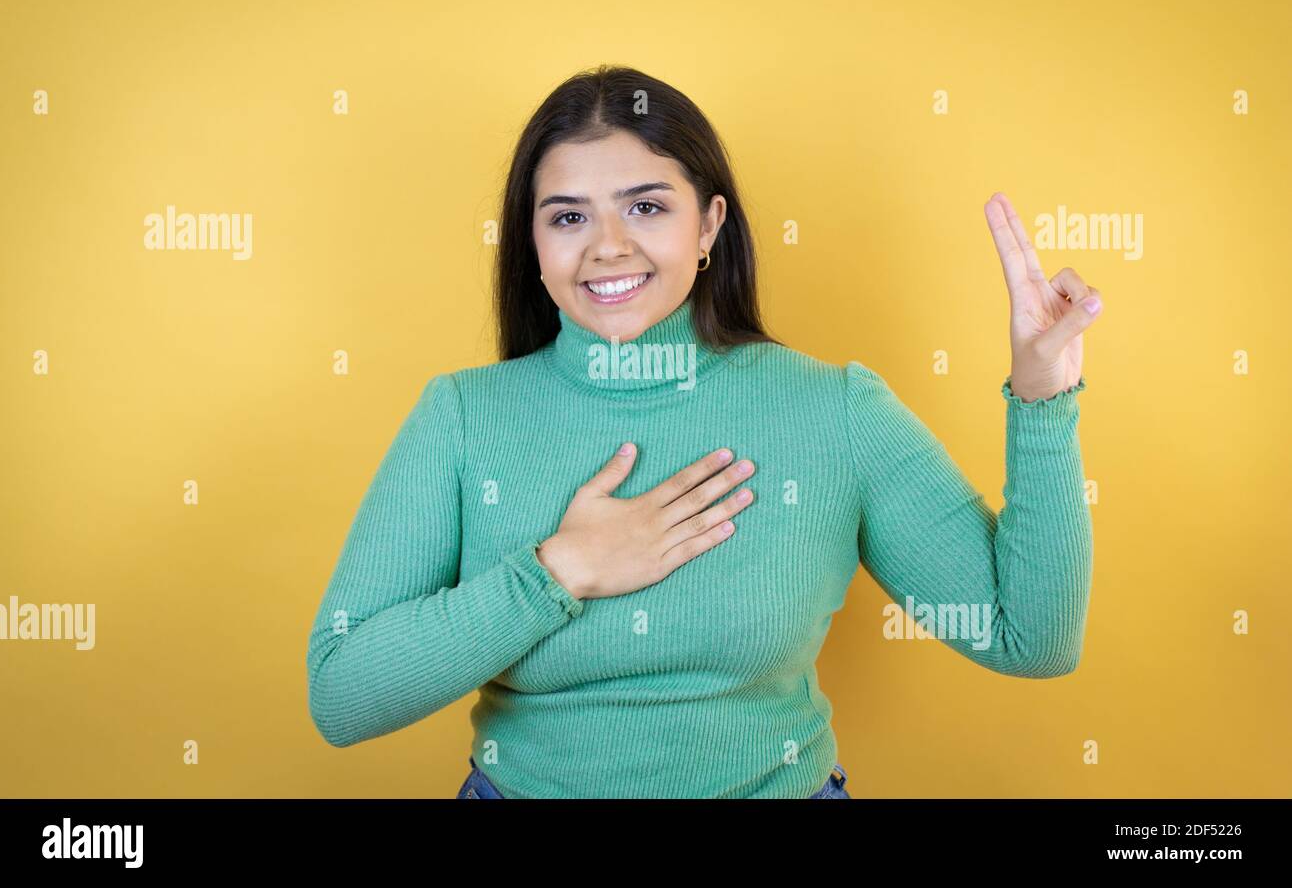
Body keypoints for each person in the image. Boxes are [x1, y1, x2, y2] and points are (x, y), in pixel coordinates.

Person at [305, 64, 1100, 798]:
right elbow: (342, 696)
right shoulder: (461, 419)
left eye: (646, 207)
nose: (608, 247)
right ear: (534, 243)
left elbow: (1030, 639)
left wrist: (1043, 401)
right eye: (568, 216)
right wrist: (560, 569)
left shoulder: (834, 411)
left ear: (710, 225)